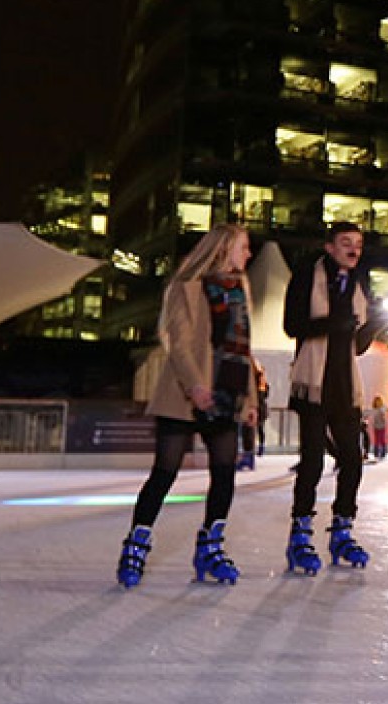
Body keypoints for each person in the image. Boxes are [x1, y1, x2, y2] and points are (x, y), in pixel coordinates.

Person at [116, 224, 257, 588]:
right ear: (223, 248)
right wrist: (195, 385)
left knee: (224, 473)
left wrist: (250, 400)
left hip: (226, 393)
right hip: (185, 393)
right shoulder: (187, 286)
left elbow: (244, 348)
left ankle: (210, 547)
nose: (248, 254)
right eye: (243, 247)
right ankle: (136, 545)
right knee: (165, 472)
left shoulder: (240, 289)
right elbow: (178, 343)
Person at [283, 220, 388, 573]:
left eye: (357, 243)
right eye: (345, 242)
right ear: (329, 247)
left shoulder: (358, 283)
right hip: (313, 381)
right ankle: (300, 535)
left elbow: (356, 345)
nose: (353, 249)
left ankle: (342, 530)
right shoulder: (307, 275)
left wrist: (373, 325)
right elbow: (292, 326)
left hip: (345, 383)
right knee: (312, 462)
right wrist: (333, 322)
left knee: (353, 460)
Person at [366, 395, 388, 462]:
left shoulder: (382, 408)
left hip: (382, 426)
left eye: (379, 401)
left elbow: (384, 414)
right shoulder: (374, 409)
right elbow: (371, 415)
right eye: (377, 402)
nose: (378, 403)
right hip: (376, 426)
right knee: (376, 440)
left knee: (382, 439)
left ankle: (383, 454)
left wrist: (382, 411)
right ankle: (376, 454)